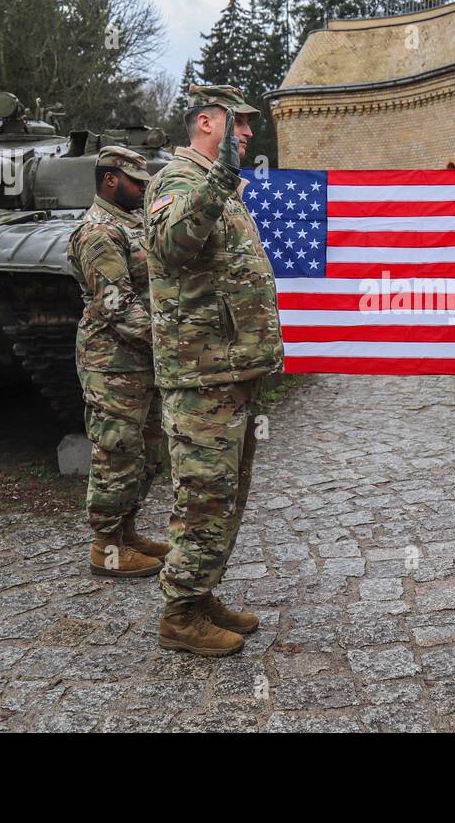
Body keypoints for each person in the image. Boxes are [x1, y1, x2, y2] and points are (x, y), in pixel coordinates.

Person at [142, 85, 284, 657]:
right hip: (201, 375)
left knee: (226, 493)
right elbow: (174, 243)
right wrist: (219, 180)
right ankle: (179, 613)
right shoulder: (176, 180)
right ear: (206, 122)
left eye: (251, 126)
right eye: (239, 124)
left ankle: (199, 594)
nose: (249, 134)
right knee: (203, 495)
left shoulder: (218, 186)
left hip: (228, 373)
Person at [66, 145, 169, 578]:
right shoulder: (99, 232)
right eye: (136, 182)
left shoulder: (135, 225)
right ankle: (105, 547)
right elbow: (116, 304)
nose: (143, 189)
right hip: (112, 362)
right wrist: (169, 342)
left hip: (142, 358)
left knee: (148, 451)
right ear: (110, 179)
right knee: (116, 450)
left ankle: (127, 531)